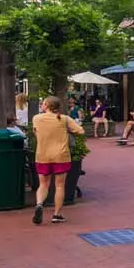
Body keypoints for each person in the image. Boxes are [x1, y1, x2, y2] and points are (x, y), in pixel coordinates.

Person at [29, 95, 84, 225]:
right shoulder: (64, 119)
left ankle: (39, 204)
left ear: (47, 105)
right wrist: (66, 132)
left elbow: (35, 132)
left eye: (43, 103)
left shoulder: (36, 118)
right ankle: (57, 214)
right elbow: (80, 131)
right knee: (59, 186)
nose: (41, 104)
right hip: (61, 156)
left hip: (42, 155)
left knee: (43, 184)